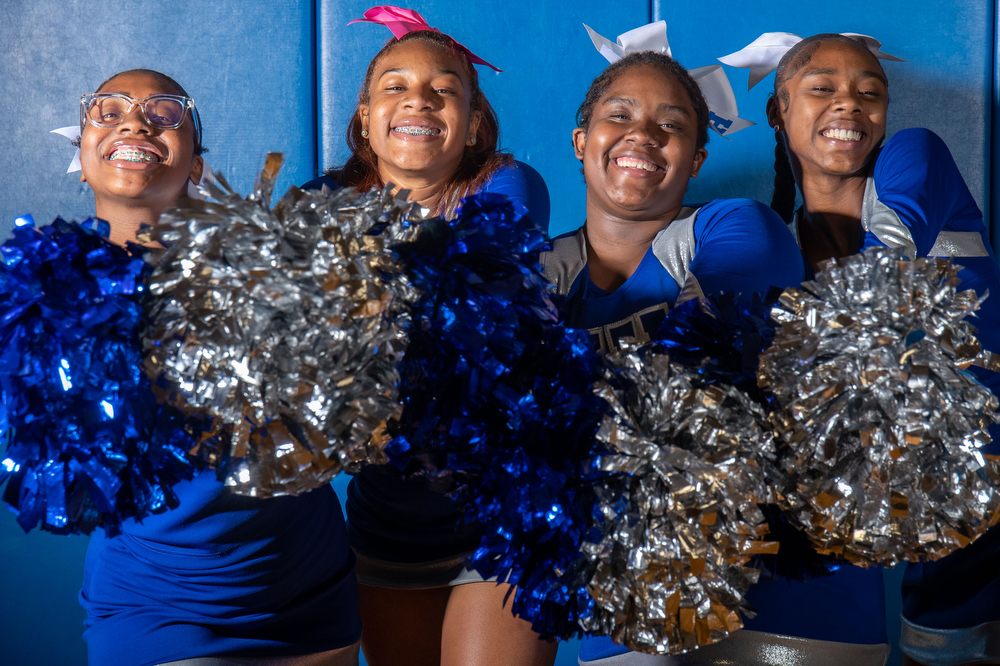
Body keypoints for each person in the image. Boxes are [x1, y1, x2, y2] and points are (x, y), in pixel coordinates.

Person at [552, 46, 888, 666]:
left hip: (789, 605)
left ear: (697, 159)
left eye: (671, 124)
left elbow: (706, 358)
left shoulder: (736, 225)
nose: (643, 134)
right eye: (619, 115)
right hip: (630, 597)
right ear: (581, 141)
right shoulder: (542, 267)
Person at [75, 68, 362, 666]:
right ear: (82, 157)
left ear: (197, 166)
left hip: (310, 589)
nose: (136, 121)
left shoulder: (265, 264)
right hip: (159, 602)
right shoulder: (43, 300)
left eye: (164, 112)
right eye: (109, 110)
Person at [303, 8, 554, 666]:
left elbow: (473, 281)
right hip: (389, 519)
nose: (418, 99)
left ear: (472, 125)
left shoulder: (509, 183)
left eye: (443, 89)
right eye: (396, 86)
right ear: (365, 118)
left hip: (504, 512)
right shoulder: (321, 199)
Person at [763, 33, 1000, 666]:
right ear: (778, 110)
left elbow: (884, 272)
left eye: (870, 93)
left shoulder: (916, 159)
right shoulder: (770, 249)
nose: (850, 103)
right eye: (822, 88)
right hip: (928, 542)